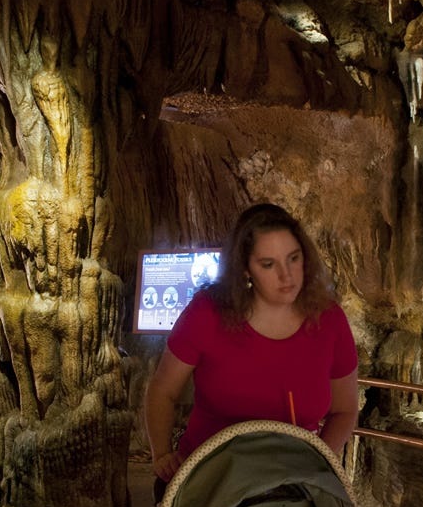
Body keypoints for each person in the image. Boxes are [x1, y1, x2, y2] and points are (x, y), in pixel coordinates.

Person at [146, 203, 359, 485]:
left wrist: (316, 463)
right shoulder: (207, 313)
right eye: (268, 264)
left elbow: (344, 410)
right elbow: (163, 389)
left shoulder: (329, 320)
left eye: (293, 259)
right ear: (245, 269)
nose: (287, 275)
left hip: (292, 478)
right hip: (211, 478)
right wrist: (161, 454)